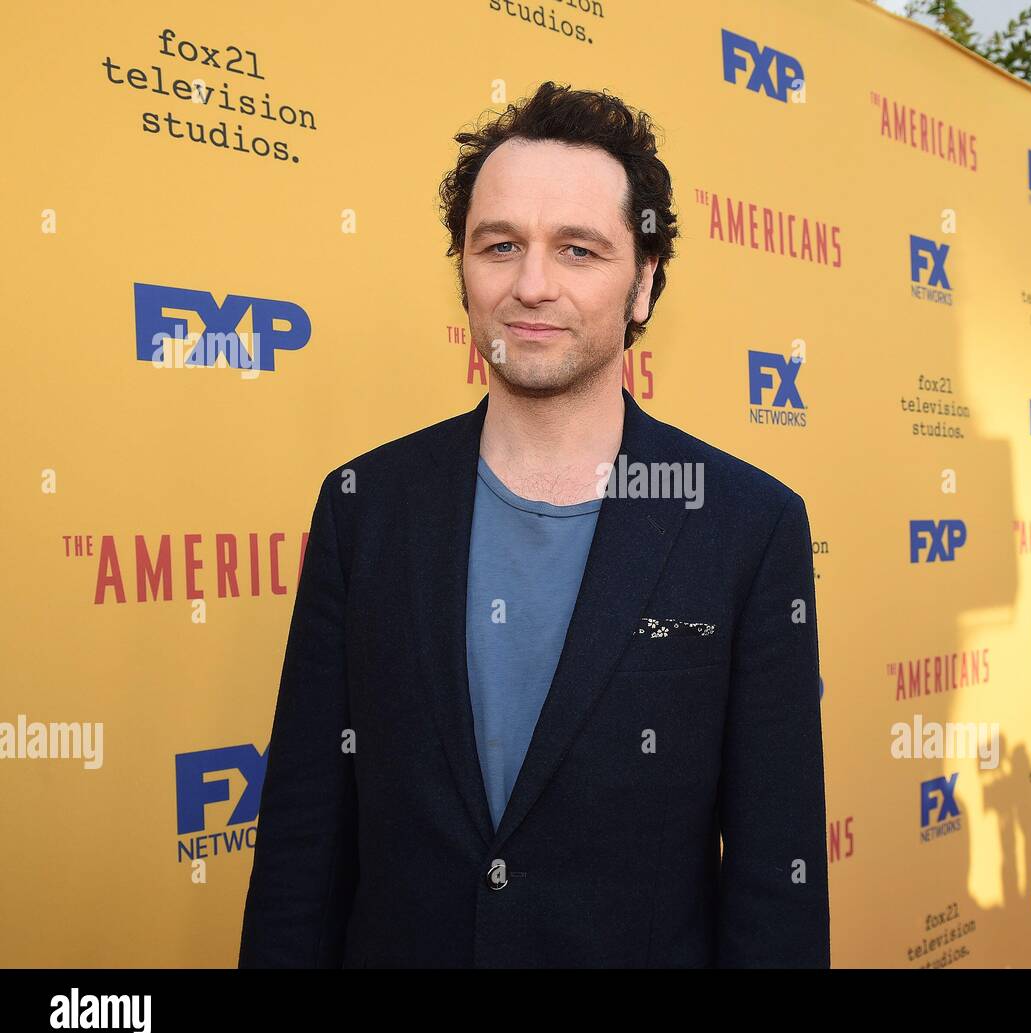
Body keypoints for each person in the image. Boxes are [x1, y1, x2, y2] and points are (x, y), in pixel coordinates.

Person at [238, 81, 829, 968]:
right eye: (500, 245)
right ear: (464, 272)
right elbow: (301, 841)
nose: (532, 285)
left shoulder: (749, 526)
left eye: (579, 250)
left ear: (644, 283)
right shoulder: (366, 504)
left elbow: (773, 880)